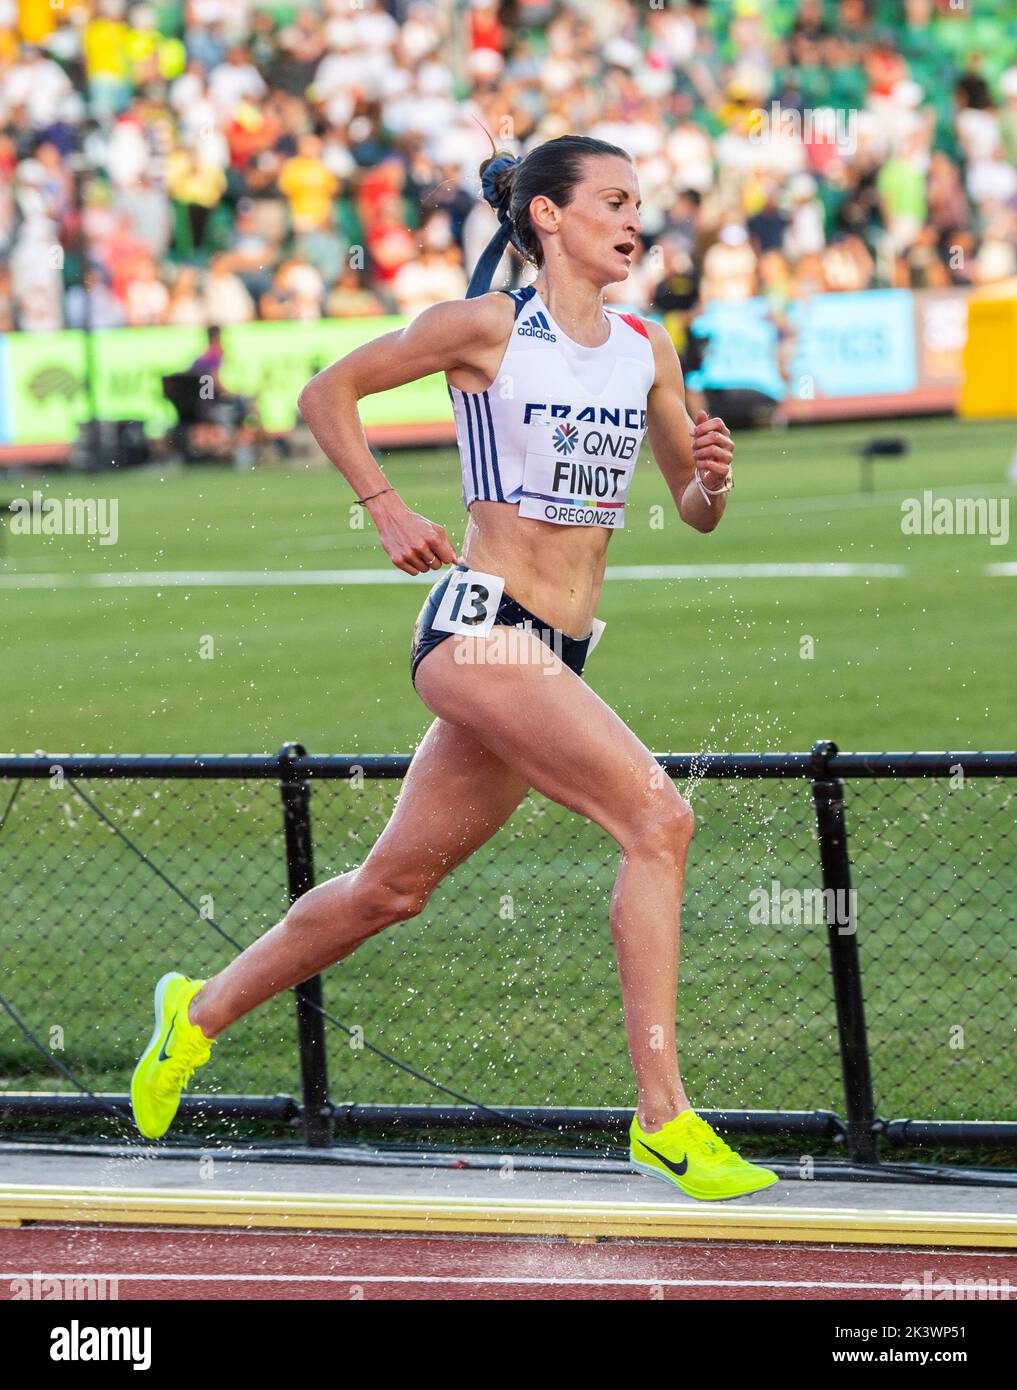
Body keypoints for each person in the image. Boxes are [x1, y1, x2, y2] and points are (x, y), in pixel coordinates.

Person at [131, 134, 777, 1202]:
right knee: (659, 821)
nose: (633, 219)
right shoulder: (488, 328)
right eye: (612, 201)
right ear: (548, 218)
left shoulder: (648, 349)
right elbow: (327, 392)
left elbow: (695, 512)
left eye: (638, 203)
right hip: (477, 629)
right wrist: (385, 506)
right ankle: (663, 1119)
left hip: (552, 651)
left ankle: (193, 1012)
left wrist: (713, 479)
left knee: (392, 888)